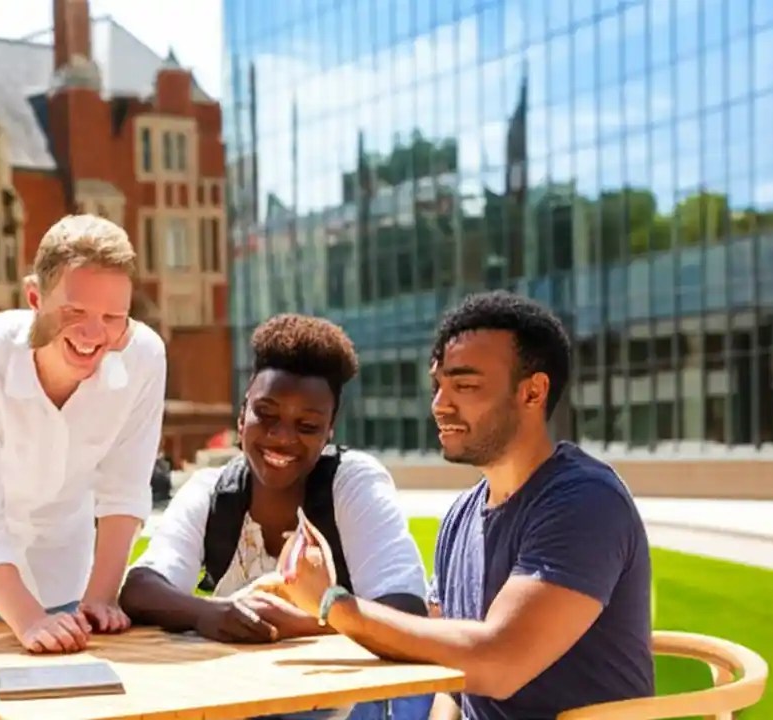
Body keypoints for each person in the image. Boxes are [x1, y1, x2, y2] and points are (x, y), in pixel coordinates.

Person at [265, 291, 654, 720]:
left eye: (465, 385)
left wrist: (332, 603)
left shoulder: (584, 502)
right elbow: (442, 657)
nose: (440, 404)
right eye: (438, 385)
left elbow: (497, 663)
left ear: (533, 392)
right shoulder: (462, 515)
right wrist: (302, 614)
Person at [120, 313, 432, 720]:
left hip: (346, 704)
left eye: (307, 425)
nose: (283, 437)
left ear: (329, 432)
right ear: (241, 415)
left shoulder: (352, 484)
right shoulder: (212, 492)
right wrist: (209, 613)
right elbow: (141, 587)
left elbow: (406, 609)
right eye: (266, 415)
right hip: (243, 700)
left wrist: (302, 622)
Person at [0, 214, 165, 718]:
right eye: (74, 310)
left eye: (114, 316)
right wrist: (28, 620)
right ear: (35, 298)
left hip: (62, 552)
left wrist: (101, 596)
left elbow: (125, 488)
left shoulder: (144, 356)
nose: (95, 333)